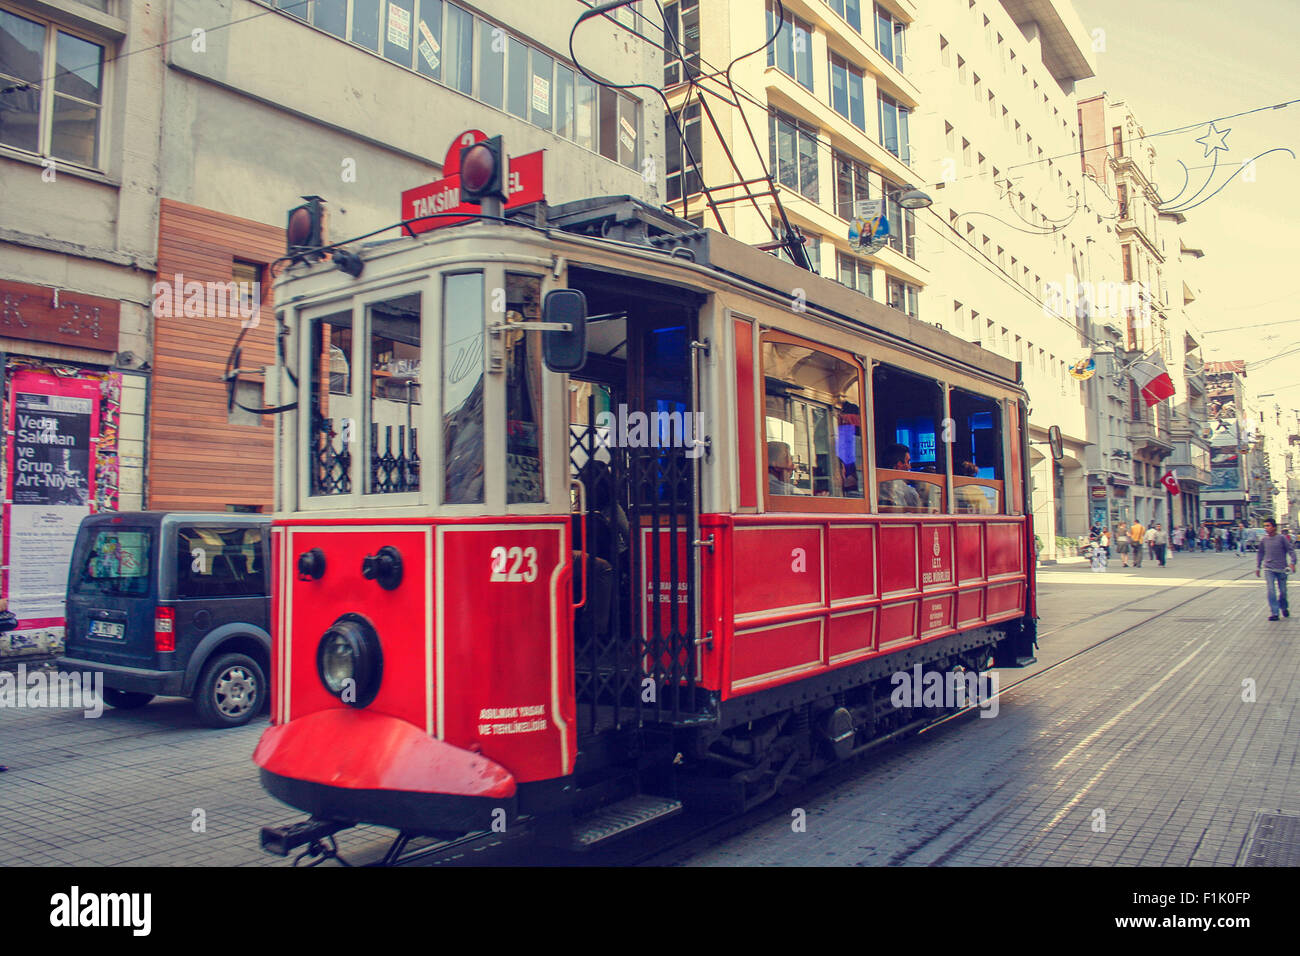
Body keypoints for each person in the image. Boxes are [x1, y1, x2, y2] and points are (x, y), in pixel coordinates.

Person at [1255, 518, 1296, 621]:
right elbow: (1260, 553)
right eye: (1265, 526)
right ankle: (1275, 612)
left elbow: (1290, 550)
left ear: (1274, 527)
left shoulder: (1281, 538)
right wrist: (1258, 567)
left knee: (1283, 592)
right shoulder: (1264, 540)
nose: (1266, 528)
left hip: (1282, 569)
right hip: (1269, 569)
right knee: (1271, 590)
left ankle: (1284, 607)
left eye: (1268, 526)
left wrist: (1293, 562)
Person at [878, 442, 922, 511]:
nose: (909, 467)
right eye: (908, 462)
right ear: (899, 464)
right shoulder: (908, 491)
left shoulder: (875, 485)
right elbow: (919, 510)